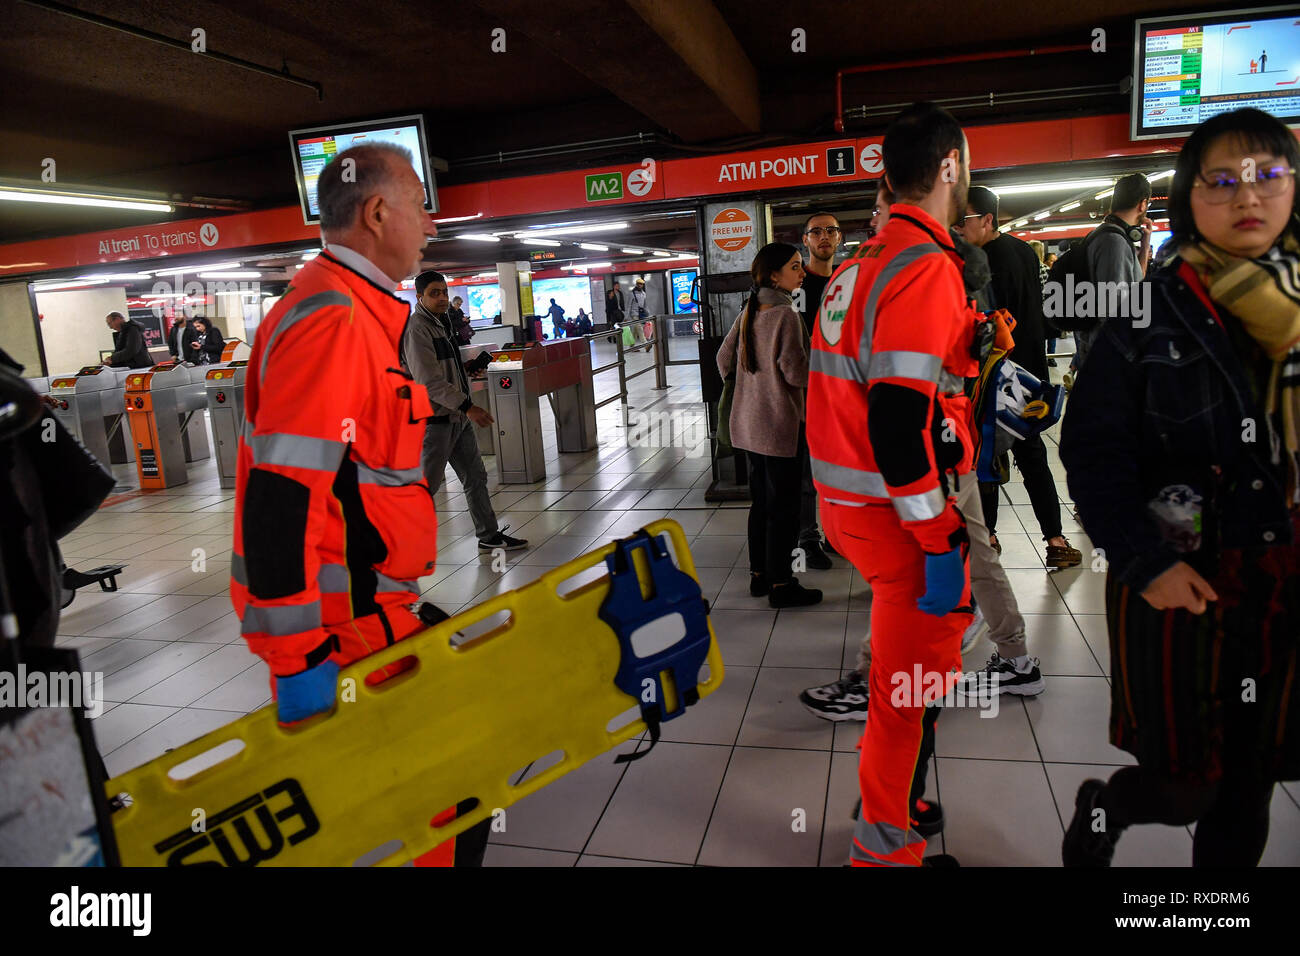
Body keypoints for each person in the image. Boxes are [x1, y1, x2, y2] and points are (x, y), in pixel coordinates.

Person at [229, 141, 489, 867]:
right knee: (432, 813)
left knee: (446, 795)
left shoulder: (354, 312)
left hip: (378, 614)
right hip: (348, 635)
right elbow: (282, 491)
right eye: (420, 205)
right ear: (377, 212)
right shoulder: (333, 320)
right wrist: (296, 658)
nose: (431, 226)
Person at [1060, 107, 1300, 868]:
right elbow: (1092, 449)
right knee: (1181, 785)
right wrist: (1143, 561)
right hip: (1179, 582)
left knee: (1250, 785)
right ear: (1187, 200)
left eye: (1268, 176)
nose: (1247, 199)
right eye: (1221, 182)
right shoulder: (1143, 311)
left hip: (1283, 584)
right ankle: (1103, 810)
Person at [801, 180, 1043, 724]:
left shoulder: (927, 267)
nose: (877, 219)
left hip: (939, 446)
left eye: (882, 208)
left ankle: (879, 676)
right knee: (965, 556)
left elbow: (924, 376)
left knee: (919, 569)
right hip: (946, 440)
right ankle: (1014, 657)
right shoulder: (931, 266)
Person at [807, 103, 978, 867]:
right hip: (899, 519)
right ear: (948, 168)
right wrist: (939, 531)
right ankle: (885, 850)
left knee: (900, 680)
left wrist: (970, 348)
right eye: (965, 164)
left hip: (845, 508)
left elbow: (880, 382)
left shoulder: (857, 267)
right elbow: (895, 421)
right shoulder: (926, 269)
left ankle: (898, 800)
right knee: (907, 694)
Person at [960, 185, 1081, 568]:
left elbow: (984, 328)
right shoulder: (1024, 251)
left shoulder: (980, 263)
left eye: (962, 220)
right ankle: (1057, 541)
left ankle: (989, 537)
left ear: (987, 219)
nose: (956, 228)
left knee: (987, 457)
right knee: (1032, 456)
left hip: (994, 375)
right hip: (1028, 376)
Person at [717, 242, 822, 609]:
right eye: (795, 266)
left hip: (747, 425)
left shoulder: (749, 310)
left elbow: (724, 358)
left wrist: (753, 387)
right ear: (774, 275)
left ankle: (759, 575)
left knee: (761, 502)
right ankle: (782, 583)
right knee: (785, 508)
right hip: (779, 427)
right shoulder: (786, 315)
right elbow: (795, 374)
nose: (802, 272)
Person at [403, 269, 526, 553]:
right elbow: (428, 382)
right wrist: (469, 406)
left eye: (444, 292)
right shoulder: (417, 329)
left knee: (476, 477)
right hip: (433, 423)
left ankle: (489, 535)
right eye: (435, 293)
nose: (442, 298)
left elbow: (445, 371)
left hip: (455, 418)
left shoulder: (441, 323)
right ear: (419, 297)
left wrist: (468, 371)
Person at [796, 211, 842, 571]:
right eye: (816, 232)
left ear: (839, 238)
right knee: (807, 469)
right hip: (807, 390)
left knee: (839, 467)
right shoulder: (797, 286)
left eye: (830, 230)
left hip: (843, 389)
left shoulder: (847, 281)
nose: (823, 236)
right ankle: (807, 538)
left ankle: (839, 535)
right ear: (806, 240)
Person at [1072, 172, 1154, 372]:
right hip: (1108, 357)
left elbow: (1137, 283)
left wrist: (1145, 247)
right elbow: (1113, 310)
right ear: (1142, 204)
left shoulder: (1113, 237)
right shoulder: (1113, 242)